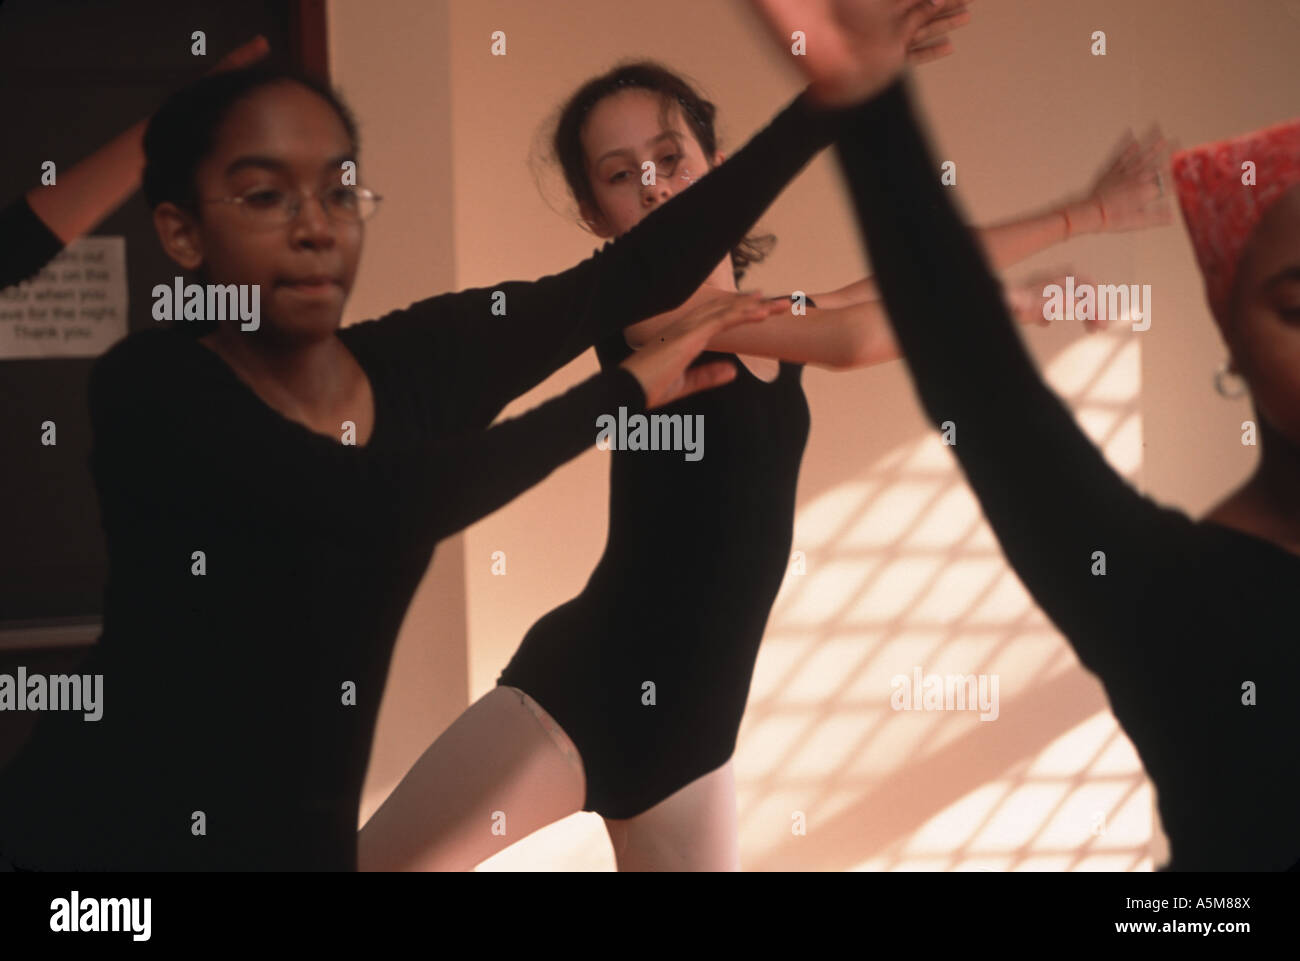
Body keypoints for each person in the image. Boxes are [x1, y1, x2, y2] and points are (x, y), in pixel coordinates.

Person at [0, 43, 883, 870]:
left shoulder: (414, 356)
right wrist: (623, 392)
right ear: (185, 234)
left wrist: (840, 97)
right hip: (110, 839)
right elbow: (395, 501)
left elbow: (631, 282)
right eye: (265, 195)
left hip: (688, 733)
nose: (314, 226)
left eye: (336, 193)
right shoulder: (154, 386)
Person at [356, 48, 1172, 870]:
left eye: (670, 158)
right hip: (576, 702)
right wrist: (1007, 302)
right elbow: (856, 336)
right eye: (619, 174)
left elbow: (894, 284)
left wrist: (1086, 215)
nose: (652, 184)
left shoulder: (768, 316)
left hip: (696, 747)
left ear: (715, 161)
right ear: (594, 213)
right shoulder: (656, 327)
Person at [749, 0, 1300, 870]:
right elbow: (979, 391)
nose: (654, 184)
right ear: (1231, 335)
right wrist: (866, 103)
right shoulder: (1189, 602)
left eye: (667, 158)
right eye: (1299, 309)